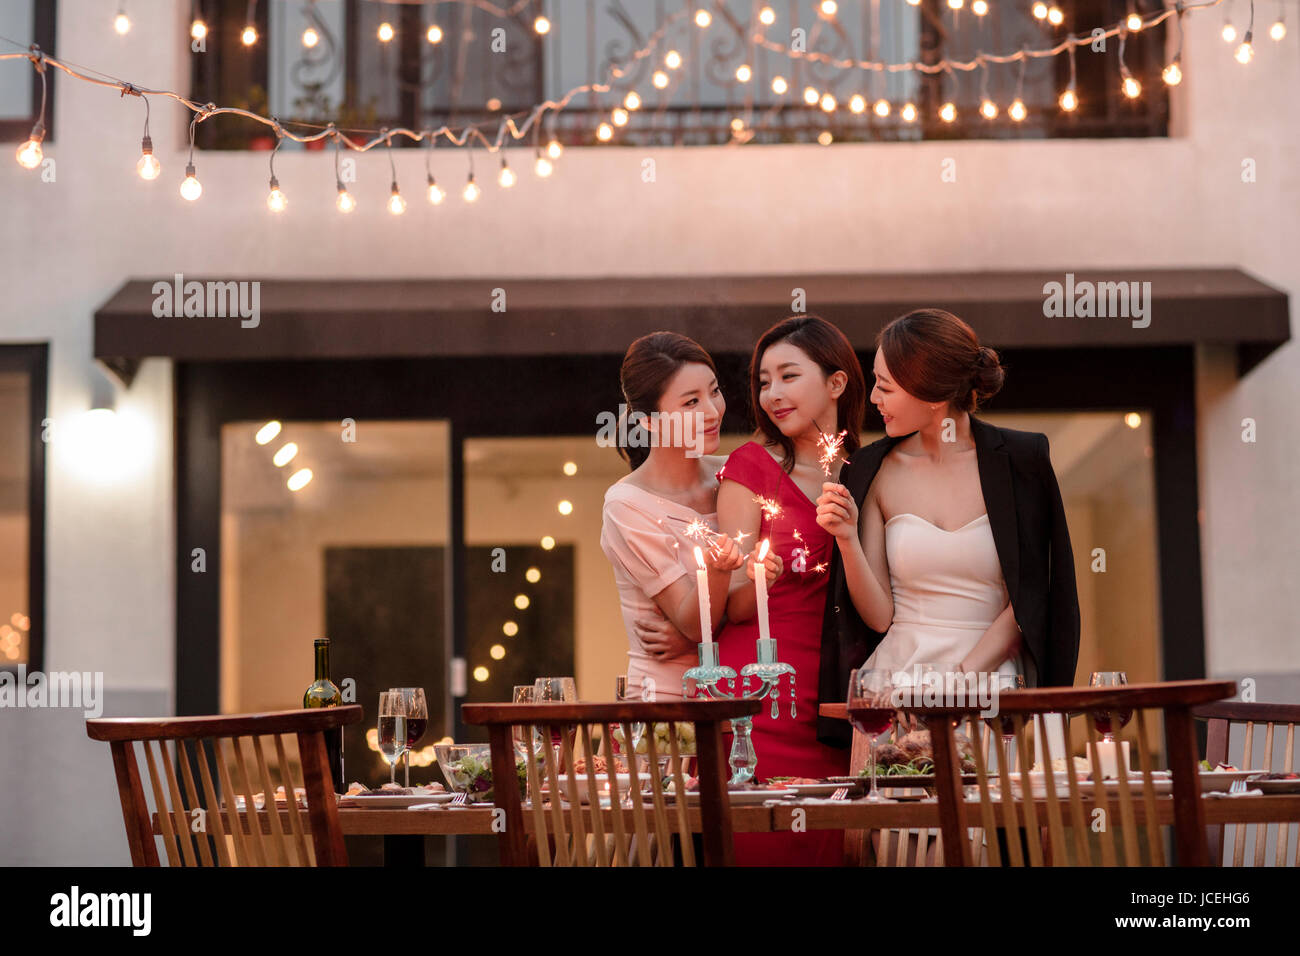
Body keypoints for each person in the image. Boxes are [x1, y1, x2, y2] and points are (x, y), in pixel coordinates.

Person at [816, 307, 1081, 864]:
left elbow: (1028, 599)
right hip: (895, 686)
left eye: (886, 387)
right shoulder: (870, 468)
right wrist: (844, 540)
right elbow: (880, 614)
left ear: (931, 392)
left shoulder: (1022, 459)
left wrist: (954, 686)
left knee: (979, 841)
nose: (876, 400)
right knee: (895, 847)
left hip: (985, 686)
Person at [715, 315, 867, 866]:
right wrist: (753, 576)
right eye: (763, 381)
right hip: (759, 690)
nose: (772, 394)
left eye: (787, 376)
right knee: (761, 840)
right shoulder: (750, 467)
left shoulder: (866, 472)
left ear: (836, 382)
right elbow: (727, 605)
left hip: (836, 698)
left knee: (831, 842)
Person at [600, 332, 743, 702]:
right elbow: (696, 623)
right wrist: (695, 631)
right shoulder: (627, 506)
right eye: (691, 402)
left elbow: (769, 592)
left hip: (738, 701)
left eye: (714, 391)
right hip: (666, 710)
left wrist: (692, 638)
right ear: (648, 421)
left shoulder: (738, 474)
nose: (712, 412)